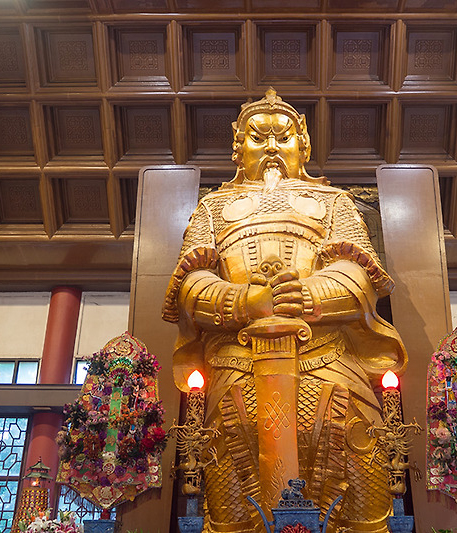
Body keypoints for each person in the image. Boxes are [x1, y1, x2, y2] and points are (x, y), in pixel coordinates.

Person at [163, 88, 407, 533]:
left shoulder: (335, 203)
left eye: (284, 138)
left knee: (362, 504)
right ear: (239, 148)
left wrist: (310, 296)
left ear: (304, 147)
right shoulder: (213, 209)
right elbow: (189, 286)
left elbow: (359, 277)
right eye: (258, 138)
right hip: (237, 365)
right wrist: (242, 301)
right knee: (231, 508)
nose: (272, 147)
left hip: (327, 362)